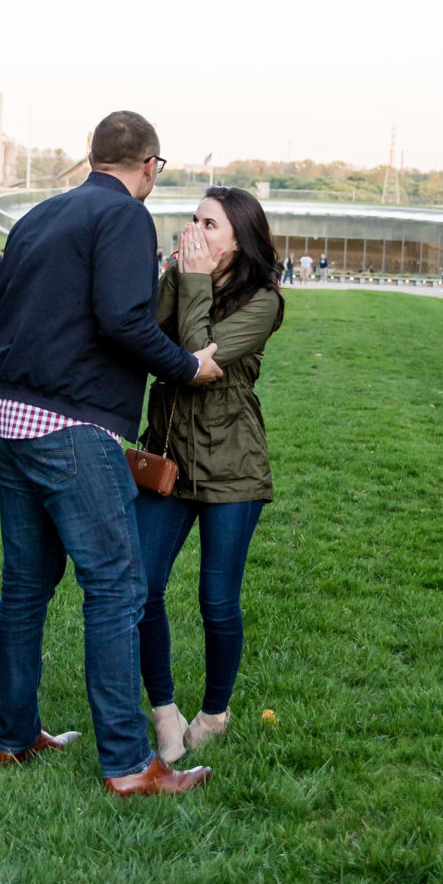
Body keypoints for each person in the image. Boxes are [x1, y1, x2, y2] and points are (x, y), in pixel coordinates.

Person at [0, 110, 224, 797]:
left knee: (26, 586)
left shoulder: (39, 216)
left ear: (93, 157)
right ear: (149, 165)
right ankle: (126, 765)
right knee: (116, 586)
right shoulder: (121, 217)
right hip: (63, 423)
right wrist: (185, 365)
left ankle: (16, 738)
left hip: (1, 414)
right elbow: (122, 319)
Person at [134, 188, 284, 765]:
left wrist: (192, 280)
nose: (195, 230)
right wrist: (178, 277)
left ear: (239, 238)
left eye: (209, 223)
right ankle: (164, 711)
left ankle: (215, 712)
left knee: (217, 599)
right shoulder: (184, 275)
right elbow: (148, 338)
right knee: (142, 588)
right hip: (169, 458)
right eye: (193, 219)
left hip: (232, 467)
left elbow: (198, 361)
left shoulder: (263, 302)